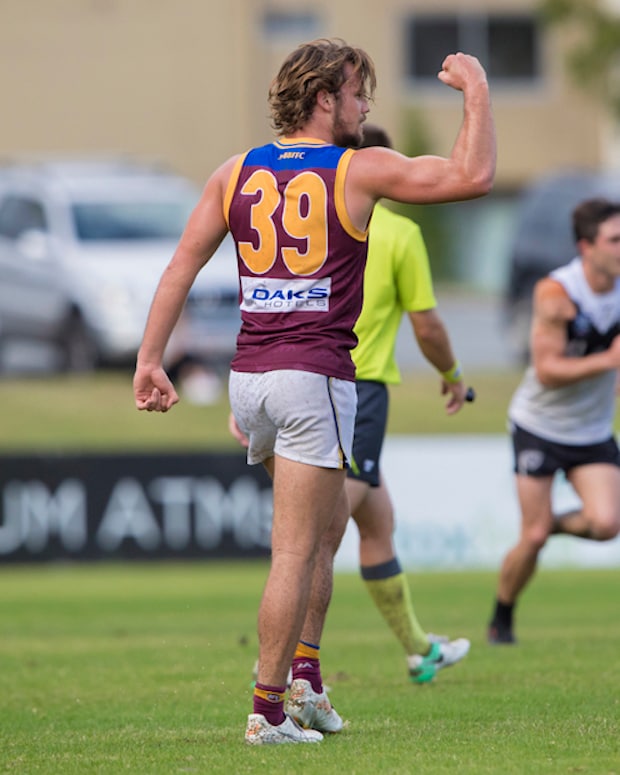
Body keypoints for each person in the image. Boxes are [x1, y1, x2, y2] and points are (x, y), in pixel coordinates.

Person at [133, 37, 495, 745]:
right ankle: (268, 709)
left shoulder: (234, 171)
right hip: (313, 377)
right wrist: (476, 89)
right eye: (359, 93)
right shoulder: (355, 171)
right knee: (297, 550)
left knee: (325, 534)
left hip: (251, 378)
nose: (366, 106)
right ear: (326, 97)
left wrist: (151, 358)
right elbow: (472, 175)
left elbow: (181, 264)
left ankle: (306, 682)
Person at [488, 198, 620, 645]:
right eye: (615, 240)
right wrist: (608, 361)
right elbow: (547, 369)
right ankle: (501, 617)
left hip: (592, 431)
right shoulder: (556, 294)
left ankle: (545, 523)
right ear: (586, 246)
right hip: (539, 426)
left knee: (606, 524)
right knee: (534, 537)